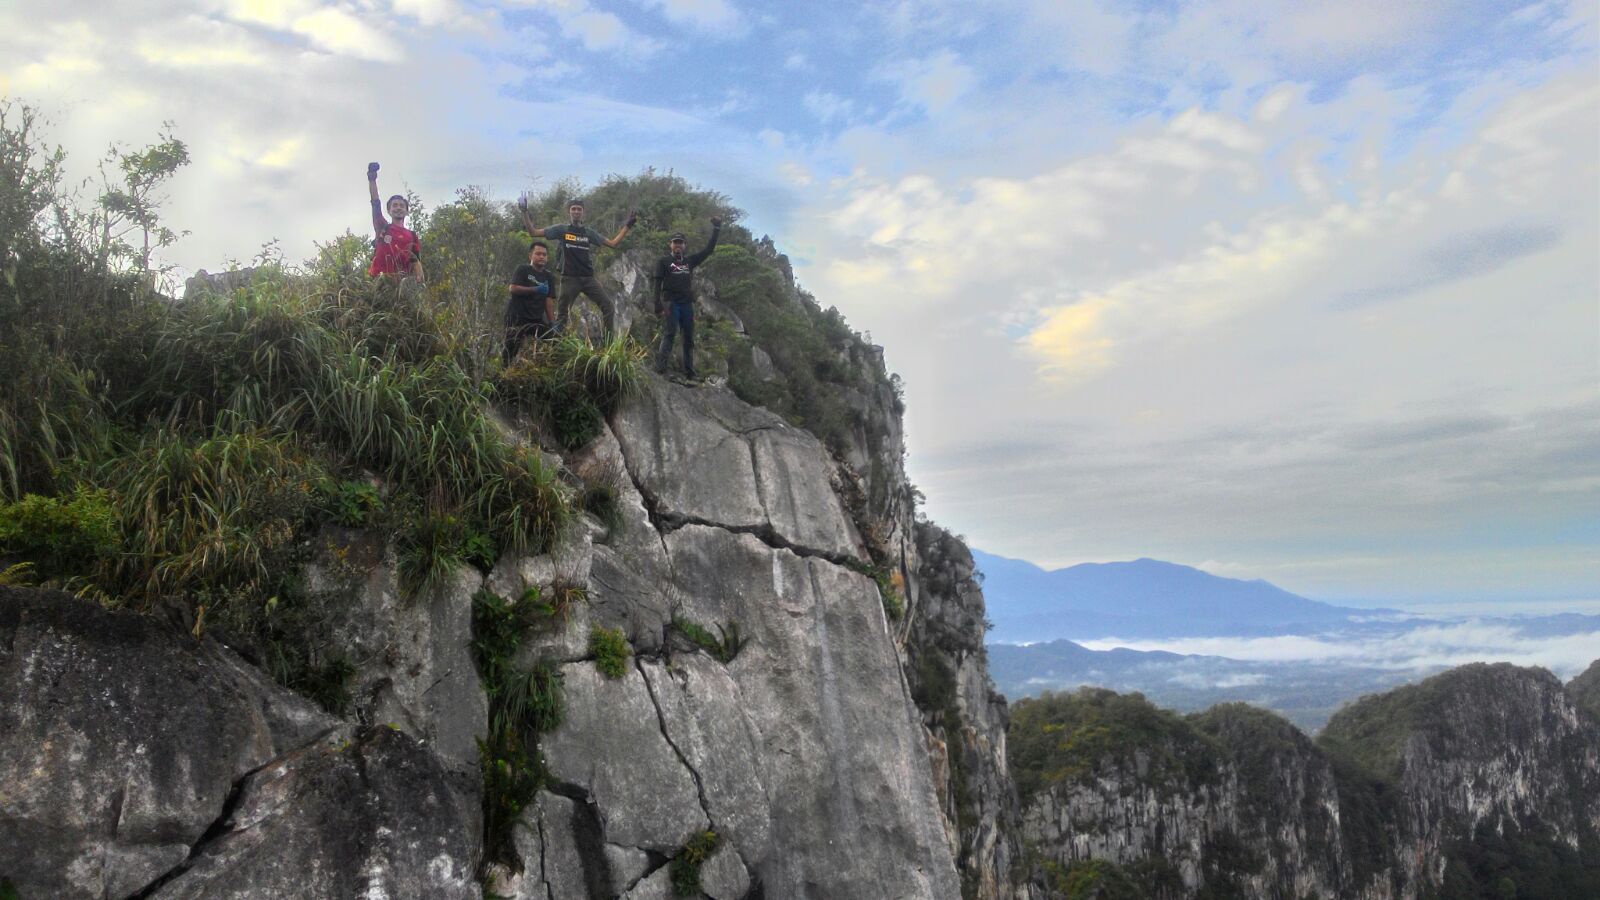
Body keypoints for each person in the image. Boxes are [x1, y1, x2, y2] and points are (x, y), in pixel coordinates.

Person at [518, 196, 634, 337]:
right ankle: (554, 345)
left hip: (588, 279)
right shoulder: (562, 230)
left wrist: (627, 226)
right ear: (569, 212)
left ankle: (608, 344)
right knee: (562, 317)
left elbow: (613, 243)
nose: (576, 212)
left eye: (579, 209)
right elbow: (533, 232)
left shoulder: (588, 233)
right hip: (569, 279)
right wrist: (524, 211)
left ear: (583, 212)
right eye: (573, 209)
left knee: (608, 306)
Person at [653, 218, 722, 381]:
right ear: (670, 244)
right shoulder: (663, 261)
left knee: (689, 338)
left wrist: (716, 228)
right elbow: (657, 283)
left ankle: (690, 373)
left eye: (681, 243)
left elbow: (709, 250)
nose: (678, 245)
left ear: (684, 245)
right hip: (671, 303)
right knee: (670, 334)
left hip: (686, 304)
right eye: (675, 242)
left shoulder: (689, 261)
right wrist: (657, 304)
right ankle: (661, 369)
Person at [365, 162, 424, 282]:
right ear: (389, 210)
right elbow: (375, 202)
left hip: (400, 286)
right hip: (378, 282)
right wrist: (372, 178)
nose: (398, 208)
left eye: (402, 206)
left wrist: (420, 283)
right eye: (395, 205)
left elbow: (415, 261)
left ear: (407, 211)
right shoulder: (382, 226)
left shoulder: (412, 236)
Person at [504, 241, 556, 366]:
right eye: (538, 254)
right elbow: (513, 288)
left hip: (535, 319)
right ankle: (504, 372)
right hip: (517, 319)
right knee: (510, 350)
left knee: (555, 340)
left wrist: (552, 322)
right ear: (530, 256)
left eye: (544, 254)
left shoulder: (549, 276)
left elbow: (549, 300)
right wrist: (535, 289)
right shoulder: (523, 269)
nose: (542, 257)